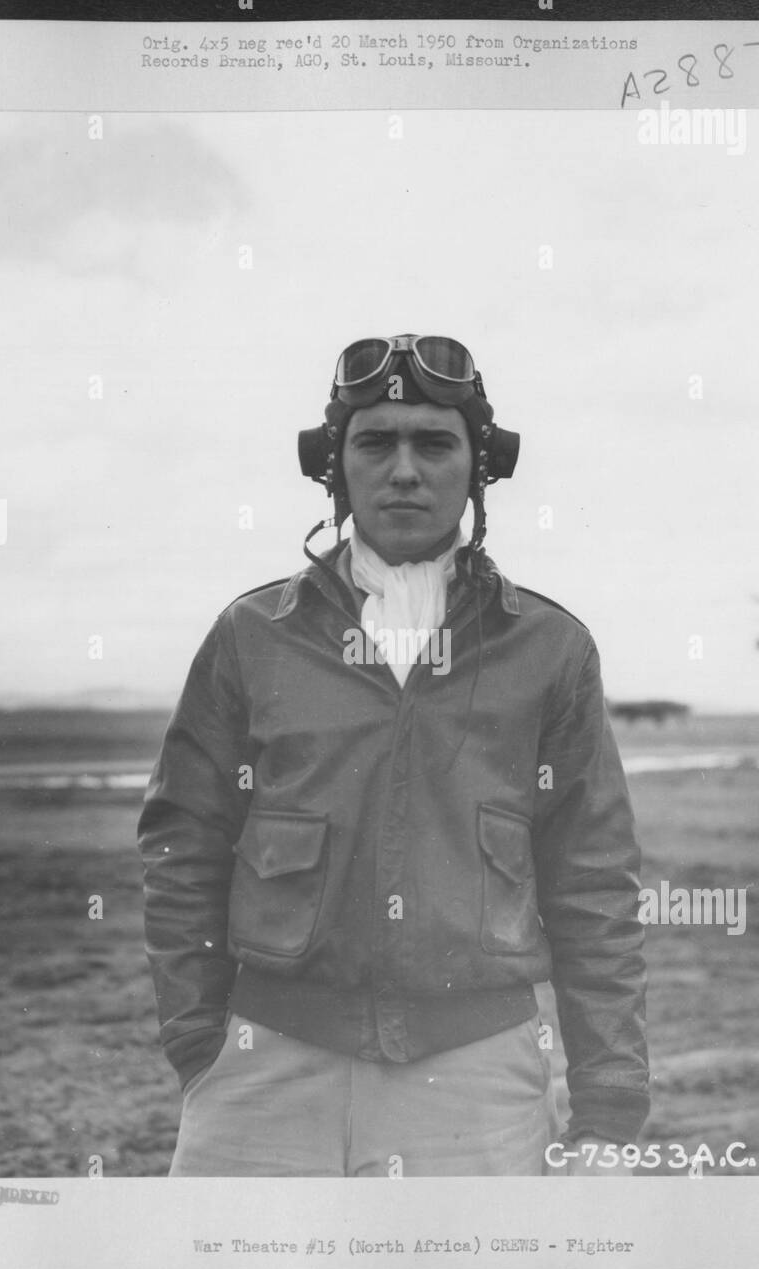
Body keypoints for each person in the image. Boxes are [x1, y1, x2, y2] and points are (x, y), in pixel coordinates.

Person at [138, 334, 649, 1177]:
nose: (404, 469)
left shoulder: (551, 649)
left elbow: (593, 882)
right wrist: (202, 1045)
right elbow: (181, 847)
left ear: (479, 467)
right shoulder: (251, 637)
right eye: (375, 442)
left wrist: (608, 1115)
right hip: (263, 1071)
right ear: (333, 467)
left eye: (435, 442)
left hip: (478, 1085)